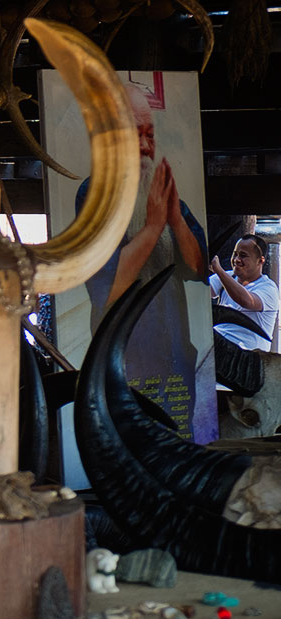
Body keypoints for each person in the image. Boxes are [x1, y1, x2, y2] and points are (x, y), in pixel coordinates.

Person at [78, 82, 209, 436]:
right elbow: (106, 288)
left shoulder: (162, 192)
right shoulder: (94, 196)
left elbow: (198, 269)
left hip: (176, 363)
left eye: (149, 135)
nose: (145, 146)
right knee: (129, 450)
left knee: (178, 448)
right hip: (125, 366)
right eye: (134, 134)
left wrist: (175, 220)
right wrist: (153, 227)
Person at [210, 233, 279, 352]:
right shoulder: (226, 276)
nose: (237, 260)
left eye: (243, 256)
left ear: (260, 260)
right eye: (235, 254)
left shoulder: (268, 288)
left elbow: (246, 301)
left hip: (247, 355)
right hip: (219, 348)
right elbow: (199, 291)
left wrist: (218, 270)